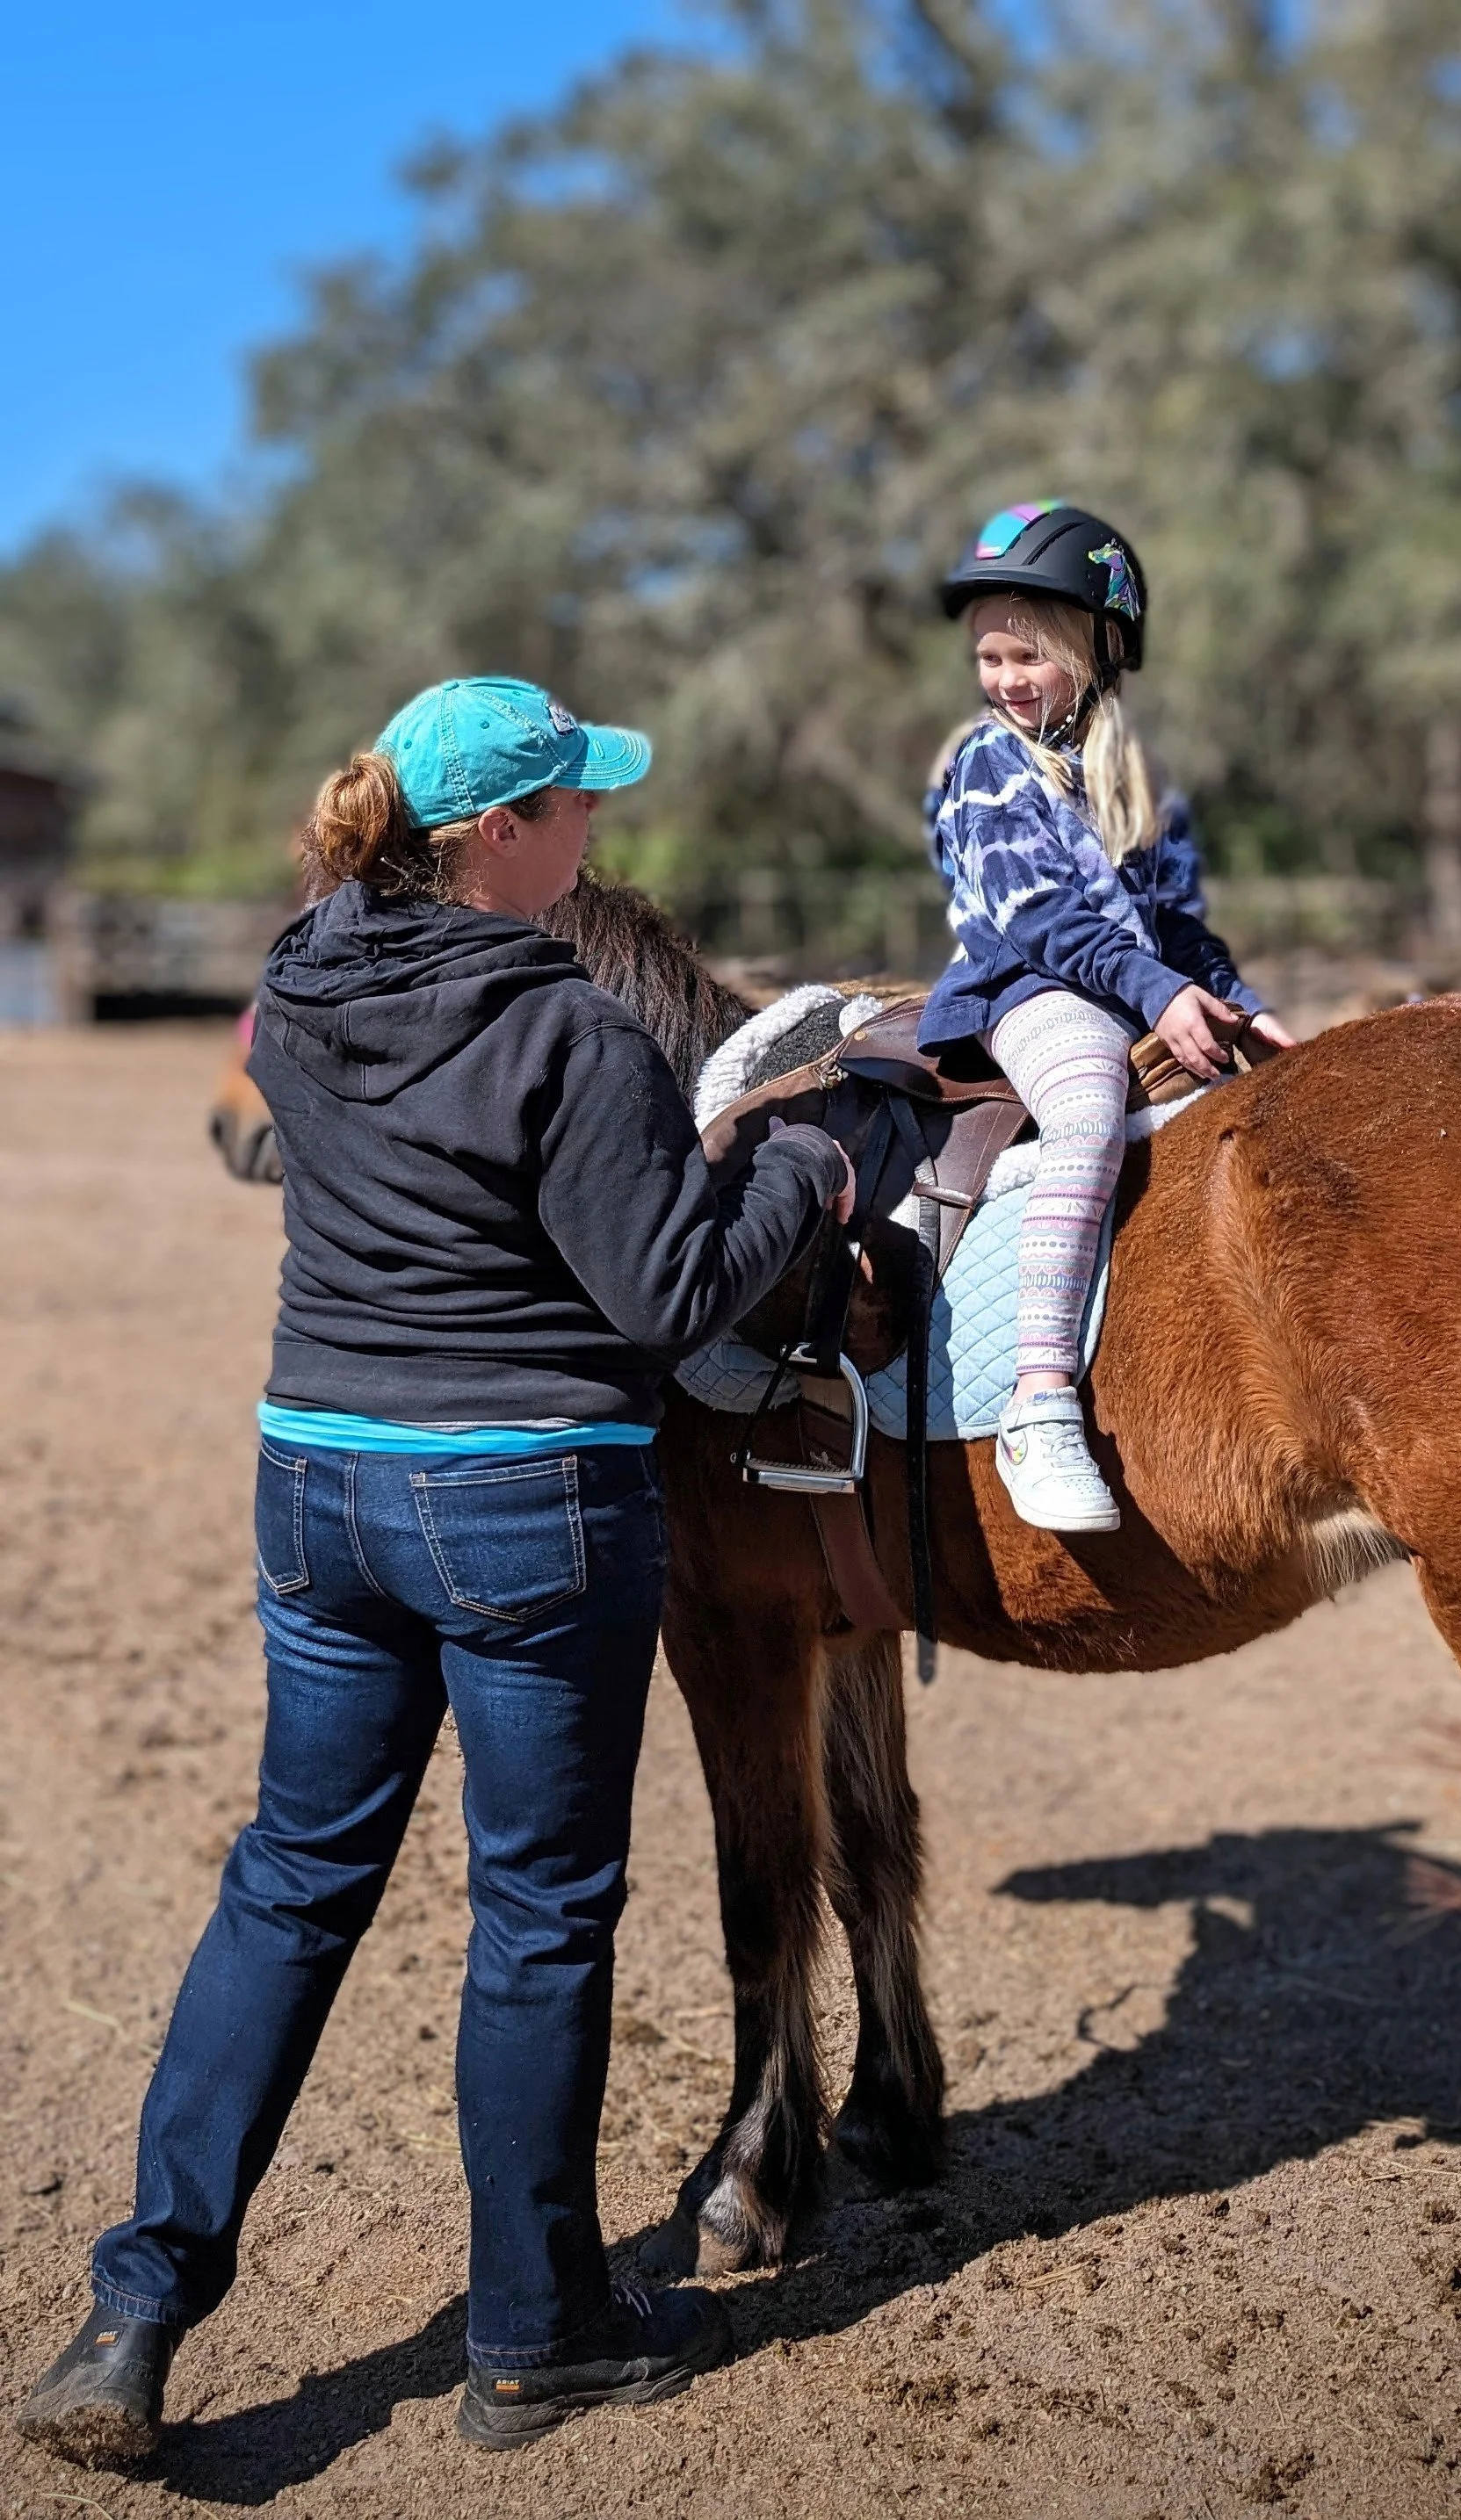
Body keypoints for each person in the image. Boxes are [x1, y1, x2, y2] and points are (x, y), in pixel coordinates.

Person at [17, 676, 852, 2466]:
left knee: (291, 1883)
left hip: (318, 1480)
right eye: (571, 807)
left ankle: (136, 2309)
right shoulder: (569, 1027)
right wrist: (792, 1164)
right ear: (497, 838)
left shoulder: (306, 981)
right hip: (524, 1508)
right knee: (539, 1916)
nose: (592, 834)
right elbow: (676, 1296)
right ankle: (538, 2332)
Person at [921, 502, 1293, 1534]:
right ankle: (1036, 1398)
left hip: (1129, 980)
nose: (1004, 680)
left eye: (1026, 656)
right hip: (1028, 987)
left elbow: (1178, 923)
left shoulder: (1139, 774)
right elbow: (1037, 916)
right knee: (1088, 1104)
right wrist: (1154, 993)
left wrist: (1237, 1008)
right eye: (989, 658)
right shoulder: (985, 766)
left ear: (1097, 647)